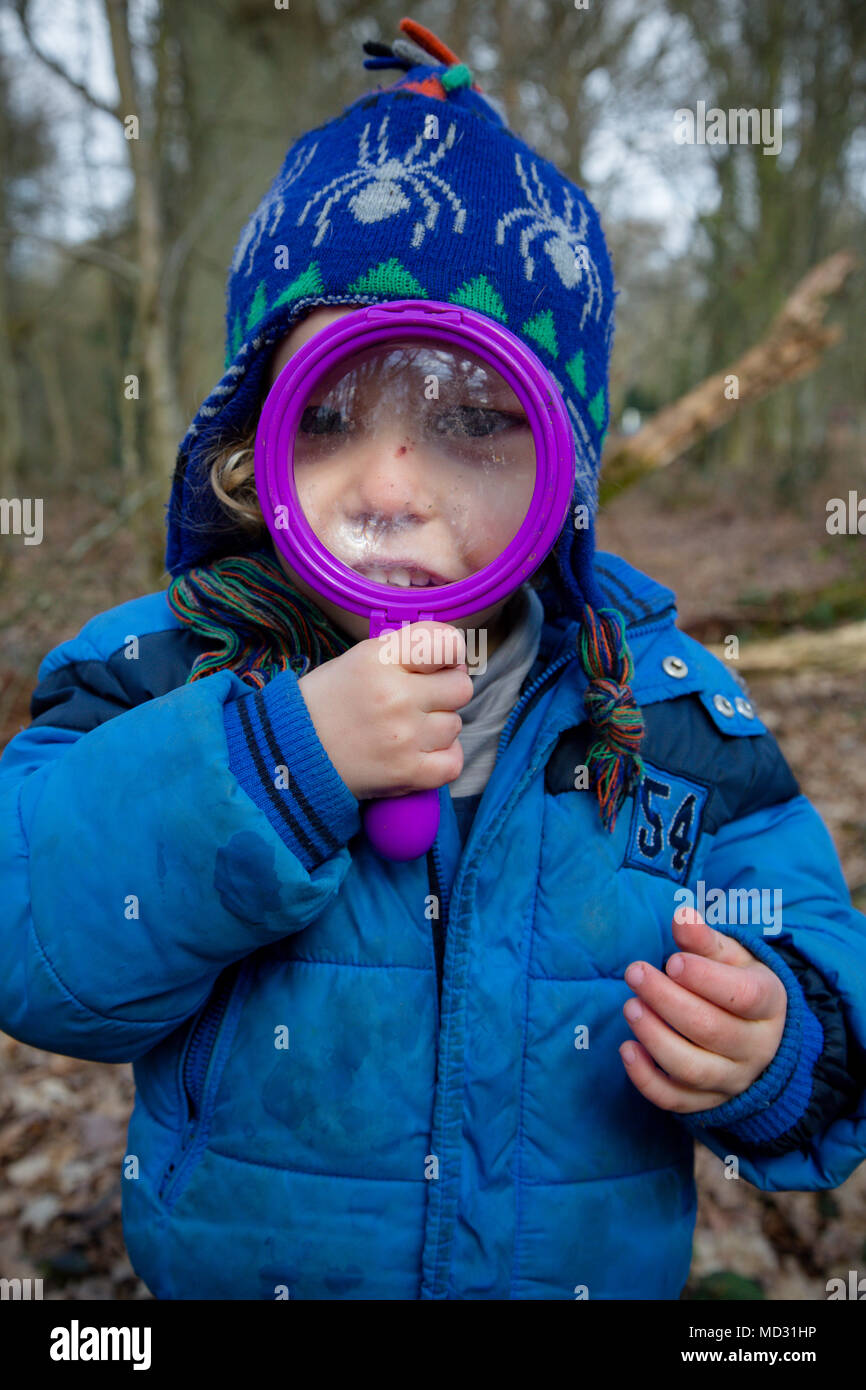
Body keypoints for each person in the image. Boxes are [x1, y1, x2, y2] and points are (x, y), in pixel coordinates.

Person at [1, 18, 864, 1301]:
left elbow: (806, 943)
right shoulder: (171, 670)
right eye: (332, 416)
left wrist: (777, 1048)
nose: (391, 486)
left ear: (562, 474)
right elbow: (37, 940)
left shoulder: (662, 712)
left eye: (470, 420)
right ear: (252, 450)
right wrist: (275, 766)